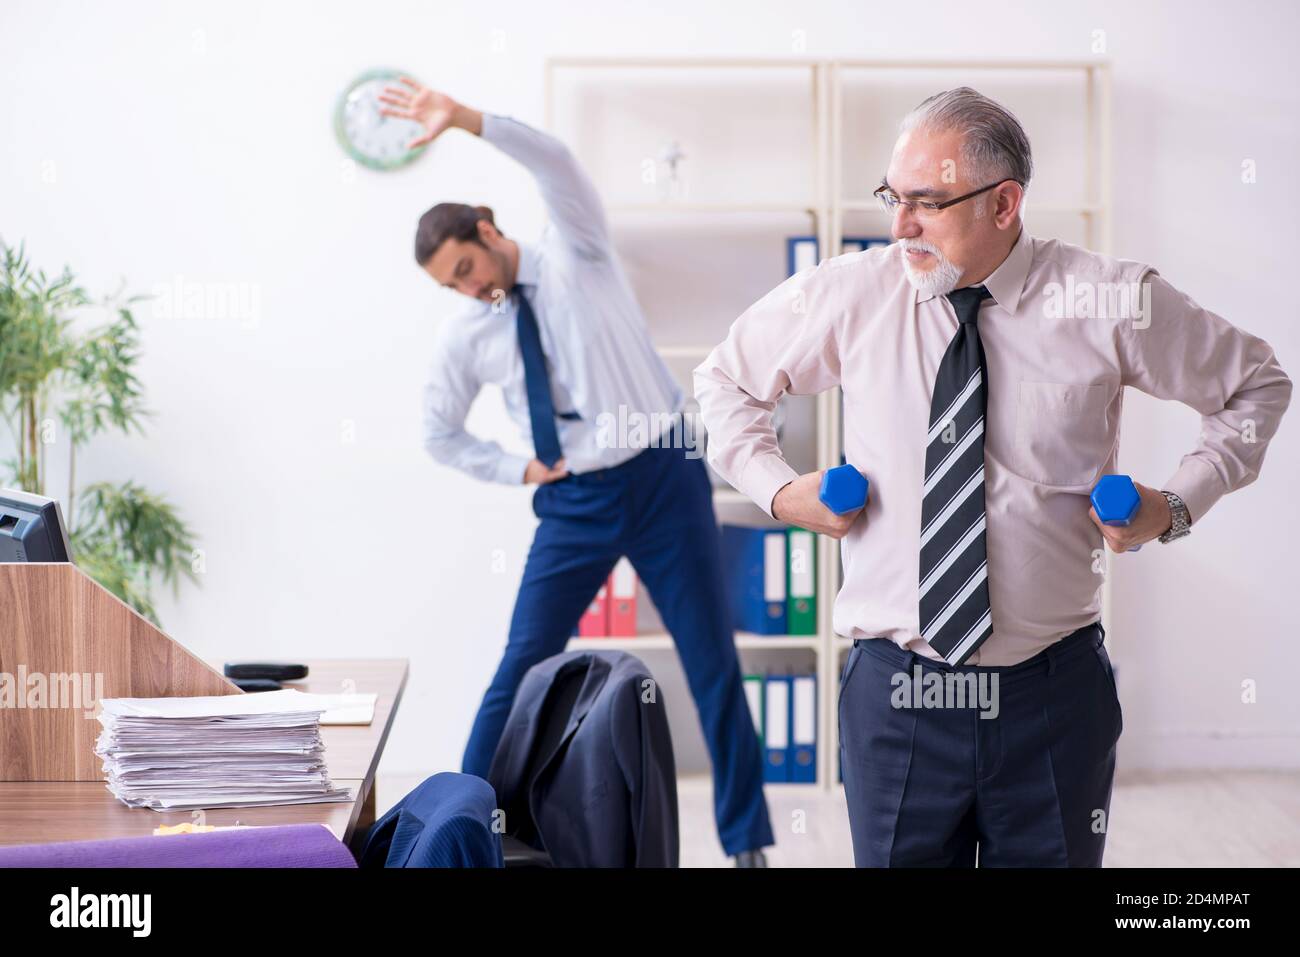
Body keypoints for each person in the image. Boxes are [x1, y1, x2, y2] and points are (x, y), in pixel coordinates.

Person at [694, 87, 1292, 867]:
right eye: (892, 198)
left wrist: (1176, 506)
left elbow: (1256, 385)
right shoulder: (854, 293)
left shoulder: (1109, 300)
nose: (900, 223)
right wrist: (776, 488)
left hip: (1052, 698)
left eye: (926, 203)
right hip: (897, 697)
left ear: (1004, 203)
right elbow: (724, 381)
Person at [384, 77, 774, 866]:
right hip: (574, 500)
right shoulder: (471, 333)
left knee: (711, 660)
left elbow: (555, 159)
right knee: (520, 664)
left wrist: (462, 118)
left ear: (489, 231)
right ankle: (460, 833)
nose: (470, 288)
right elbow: (436, 431)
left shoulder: (578, 251)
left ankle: (747, 844)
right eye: (452, 284)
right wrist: (515, 467)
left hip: (665, 474)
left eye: (467, 267)